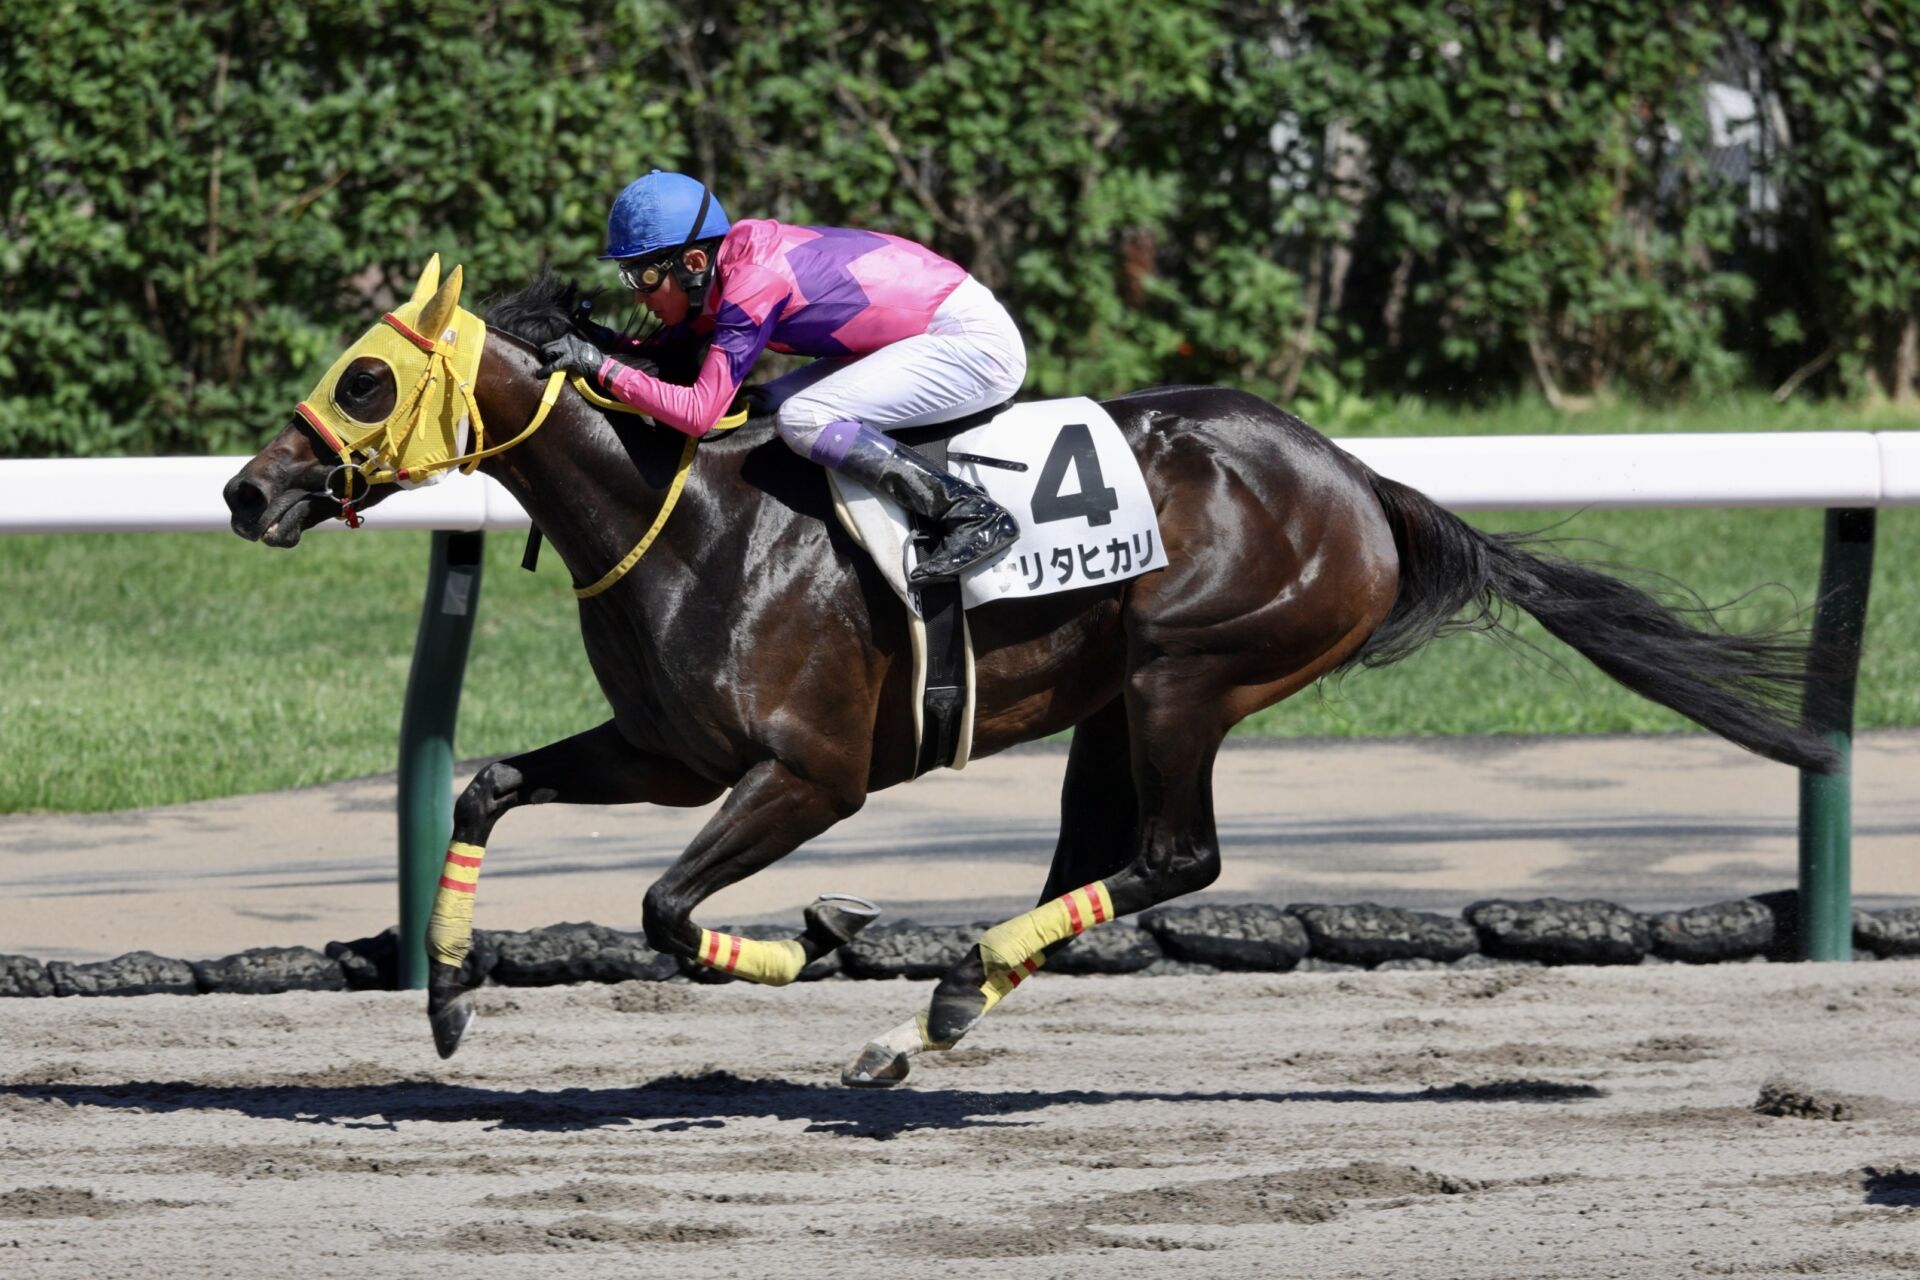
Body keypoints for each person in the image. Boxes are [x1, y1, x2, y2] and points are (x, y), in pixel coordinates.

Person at [536, 170, 1027, 584]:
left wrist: (600, 365)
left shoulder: (752, 282)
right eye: (628, 277)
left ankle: (968, 513)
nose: (638, 298)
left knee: (804, 418)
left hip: (972, 344)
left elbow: (697, 415)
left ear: (692, 262)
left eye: (642, 277)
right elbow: (675, 348)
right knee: (763, 403)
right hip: (918, 335)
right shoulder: (725, 268)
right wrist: (606, 343)